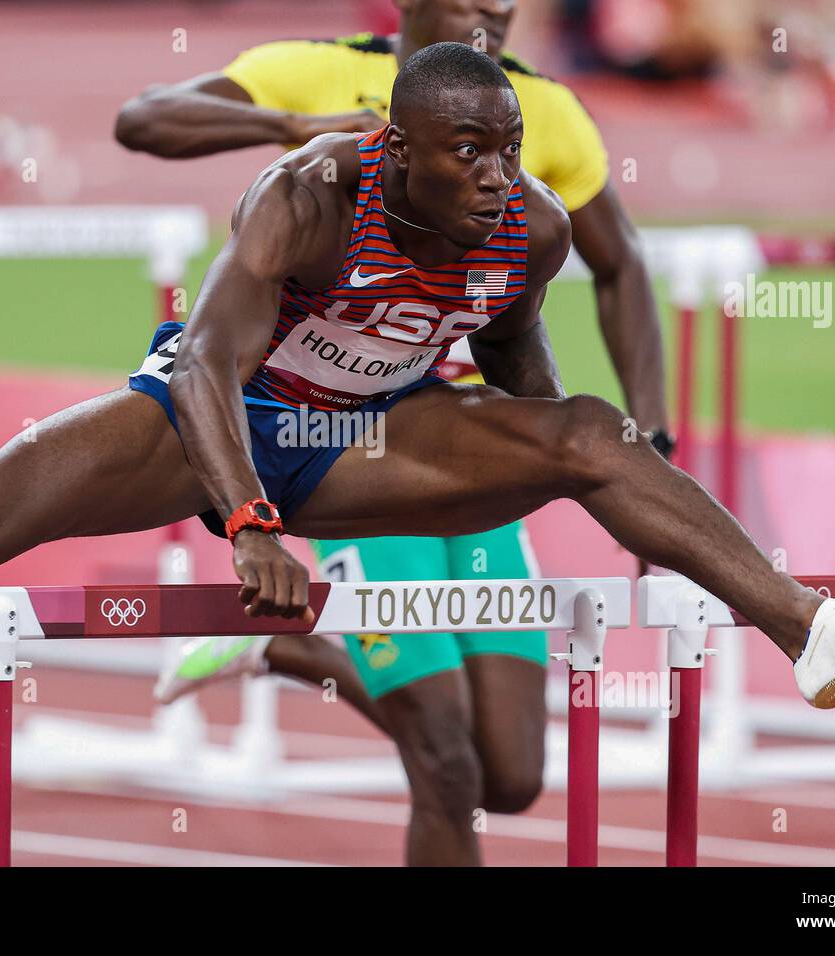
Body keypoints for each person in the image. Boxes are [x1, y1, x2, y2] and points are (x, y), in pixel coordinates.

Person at [0, 42, 835, 866]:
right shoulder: (308, 195)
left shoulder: (533, 230)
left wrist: (599, 474)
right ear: (395, 150)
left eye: (510, 148)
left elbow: (526, 378)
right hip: (223, 420)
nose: (499, 176)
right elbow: (201, 365)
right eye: (470, 152)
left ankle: (809, 627)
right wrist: (246, 524)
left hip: (370, 438)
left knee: (581, 435)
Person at [117, 2, 669, 822]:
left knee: (509, 779)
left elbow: (619, 265)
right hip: (353, 442)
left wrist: (647, 441)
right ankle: (312, 651)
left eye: (508, 0)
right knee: (443, 757)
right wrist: (295, 122)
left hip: (471, 441)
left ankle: (289, 646)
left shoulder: (543, 108)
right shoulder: (329, 69)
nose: (496, 10)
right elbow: (145, 119)